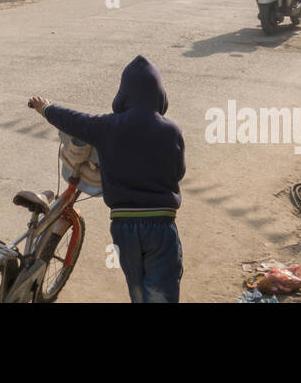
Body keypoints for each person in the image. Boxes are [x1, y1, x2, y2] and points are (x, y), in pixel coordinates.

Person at [27, 55, 185, 303]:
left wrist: (46, 107)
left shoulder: (108, 126)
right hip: (160, 225)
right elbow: (178, 172)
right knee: (161, 291)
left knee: (137, 287)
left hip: (123, 227)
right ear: (159, 94)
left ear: (123, 94)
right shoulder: (171, 130)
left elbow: (73, 120)